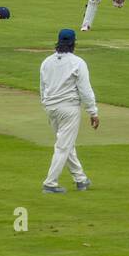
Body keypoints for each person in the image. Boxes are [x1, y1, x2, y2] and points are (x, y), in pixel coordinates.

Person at [39, 28, 99, 193]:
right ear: (74, 43)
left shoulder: (46, 62)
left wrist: (45, 104)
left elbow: (42, 87)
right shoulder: (78, 62)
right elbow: (85, 90)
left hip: (51, 108)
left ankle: (80, 179)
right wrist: (93, 112)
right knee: (63, 146)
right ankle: (50, 183)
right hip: (68, 108)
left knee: (66, 144)